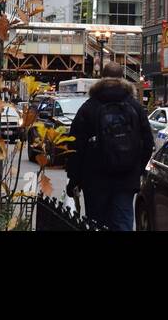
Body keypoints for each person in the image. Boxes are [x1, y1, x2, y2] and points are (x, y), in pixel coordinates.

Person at [66, 62, 154, 231]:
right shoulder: (135, 107)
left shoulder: (88, 108)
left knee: (96, 224)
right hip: (126, 180)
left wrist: (74, 178)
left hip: (95, 180)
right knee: (123, 223)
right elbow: (148, 143)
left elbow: (76, 145)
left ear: (101, 78)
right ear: (123, 78)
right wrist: (136, 169)